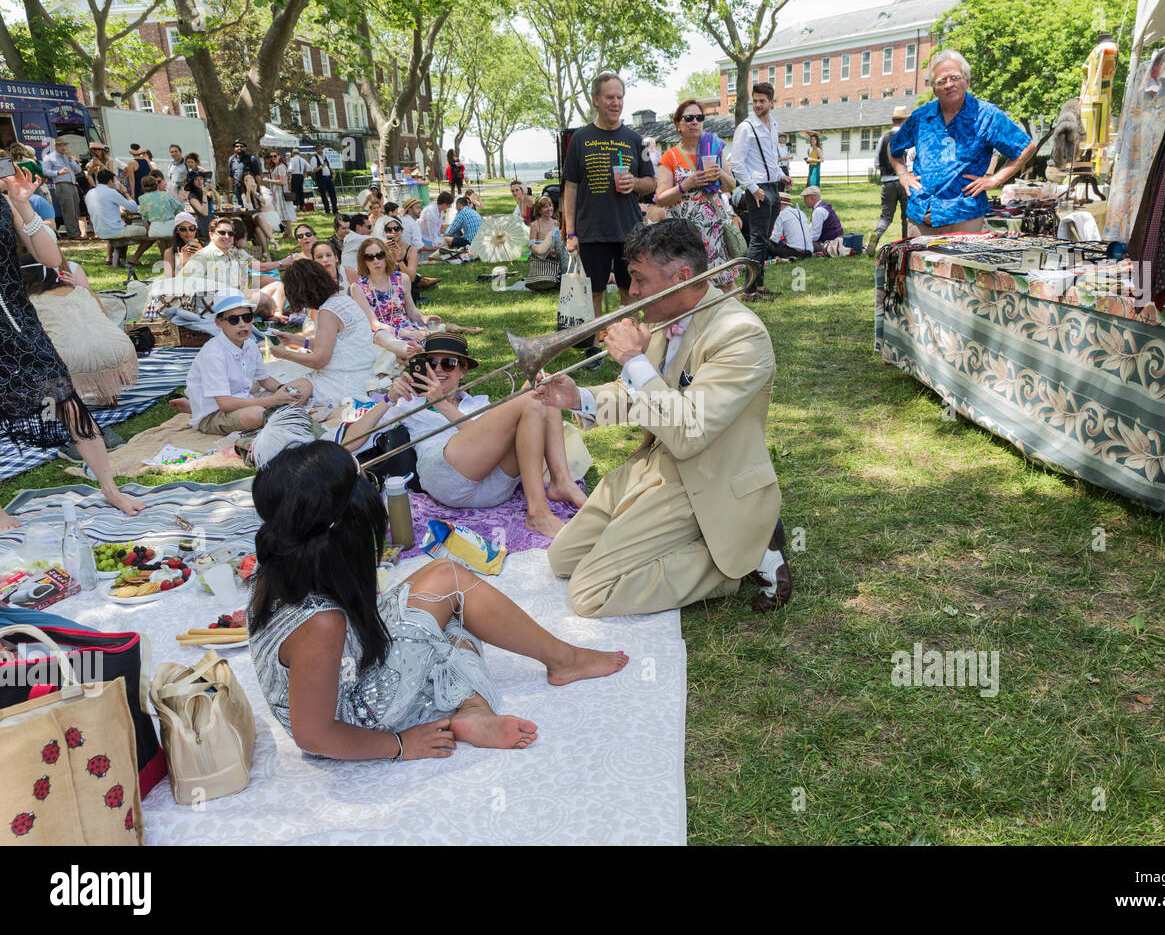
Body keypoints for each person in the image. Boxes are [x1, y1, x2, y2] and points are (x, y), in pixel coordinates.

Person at [247, 439, 627, 760]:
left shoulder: (283, 556)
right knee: (454, 613)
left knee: (450, 586)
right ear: (351, 526)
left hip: (345, 666)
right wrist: (399, 745)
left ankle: (478, 707)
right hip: (354, 716)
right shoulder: (321, 624)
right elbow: (314, 735)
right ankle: (544, 670)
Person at [536, 220, 790, 617]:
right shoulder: (662, 319)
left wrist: (633, 360)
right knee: (561, 559)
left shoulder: (740, 334)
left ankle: (736, 562)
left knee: (589, 593)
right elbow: (637, 394)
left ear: (682, 277)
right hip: (655, 464)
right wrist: (579, 396)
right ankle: (717, 539)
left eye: (638, 280)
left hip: (705, 476)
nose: (631, 292)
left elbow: (689, 432)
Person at [0, 166, 145, 529]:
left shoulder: (6, 202)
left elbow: (51, 259)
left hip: (17, 321)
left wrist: (23, 205)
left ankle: (110, 489)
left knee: (66, 398)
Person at [387, 334, 585, 537]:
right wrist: (388, 398)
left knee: (544, 393)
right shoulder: (409, 401)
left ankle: (561, 480)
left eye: (448, 363)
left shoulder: (478, 403)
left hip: (494, 487)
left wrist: (531, 393)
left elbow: (486, 440)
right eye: (432, 362)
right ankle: (538, 513)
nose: (438, 369)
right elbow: (357, 441)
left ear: (462, 371)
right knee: (532, 400)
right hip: (445, 477)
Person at [562, 71, 656, 367]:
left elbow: (651, 182)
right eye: (609, 97)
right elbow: (571, 188)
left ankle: (626, 343)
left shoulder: (635, 139)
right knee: (595, 290)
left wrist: (635, 184)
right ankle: (594, 347)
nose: (616, 103)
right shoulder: (579, 139)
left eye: (619, 97)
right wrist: (570, 232)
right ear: (596, 100)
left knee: (631, 288)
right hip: (592, 230)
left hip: (629, 229)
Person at [889, 49, 1034, 235]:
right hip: (921, 215)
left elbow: (1025, 147)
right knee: (916, 263)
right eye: (942, 81)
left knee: (960, 264)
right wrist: (902, 174)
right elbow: (894, 147)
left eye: (954, 78)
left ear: (967, 81)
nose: (949, 84)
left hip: (965, 215)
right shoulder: (921, 117)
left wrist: (996, 179)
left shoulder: (987, 115)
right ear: (934, 89)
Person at [184, 291, 312, 436]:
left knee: (304, 385)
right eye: (233, 320)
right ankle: (282, 414)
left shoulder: (250, 344)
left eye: (247, 318)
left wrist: (283, 389)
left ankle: (279, 414)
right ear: (219, 323)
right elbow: (225, 404)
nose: (242, 325)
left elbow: (265, 380)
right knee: (255, 415)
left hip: (247, 400)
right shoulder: (214, 354)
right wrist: (273, 400)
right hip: (215, 414)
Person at [653, 98, 741, 287]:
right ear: (678, 124)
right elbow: (660, 199)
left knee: (724, 284)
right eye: (689, 118)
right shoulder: (671, 156)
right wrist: (686, 184)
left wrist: (721, 174)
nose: (695, 122)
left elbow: (731, 186)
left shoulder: (714, 148)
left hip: (714, 228)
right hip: (685, 234)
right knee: (690, 286)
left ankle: (731, 316)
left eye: (699, 117)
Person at [27, 260, 137, 405]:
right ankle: (109, 396)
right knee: (87, 340)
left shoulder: (31, 301)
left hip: (71, 358)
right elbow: (104, 316)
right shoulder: (80, 290)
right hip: (118, 347)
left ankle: (61, 405)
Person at [272, 261, 375, 404]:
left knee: (286, 390)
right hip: (364, 378)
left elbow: (319, 360)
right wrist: (294, 340)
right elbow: (330, 344)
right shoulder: (345, 300)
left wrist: (284, 354)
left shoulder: (328, 311)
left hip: (342, 386)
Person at [730, 81, 793, 299]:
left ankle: (760, 286)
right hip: (757, 190)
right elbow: (736, 163)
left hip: (773, 188)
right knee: (757, 239)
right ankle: (748, 290)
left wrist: (781, 175)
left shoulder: (773, 125)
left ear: (771, 102)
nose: (757, 105)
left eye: (761, 101)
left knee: (765, 239)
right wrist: (754, 189)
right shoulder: (746, 128)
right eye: (754, 101)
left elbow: (770, 160)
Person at [180, 215, 287, 319]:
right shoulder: (203, 256)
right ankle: (272, 313)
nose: (227, 236)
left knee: (278, 285)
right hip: (219, 306)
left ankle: (277, 315)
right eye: (222, 233)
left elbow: (258, 267)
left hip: (238, 297)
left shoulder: (233, 253)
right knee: (263, 299)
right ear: (211, 235)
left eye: (230, 233)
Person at [350, 236, 432, 341]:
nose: (376, 261)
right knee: (406, 347)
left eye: (380, 255)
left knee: (433, 340)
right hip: (382, 333)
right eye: (369, 257)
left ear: (386, 256)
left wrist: (423, 317)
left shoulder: (402, 279)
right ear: (364, 261)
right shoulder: (358, 288)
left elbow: (411, 310)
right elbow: (374, 324)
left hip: (406, 326)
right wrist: (405, 333)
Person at [84, 170, 152, 271]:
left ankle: (120, 259)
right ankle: (135, 258)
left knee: (123, 227)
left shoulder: (90, 193)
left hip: (99, 231)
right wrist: (125, 192)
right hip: (114, 231)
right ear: (110, 181)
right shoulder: (111, 192)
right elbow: (133, 207)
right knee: (151, 231)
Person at [870, 106, 910, 256]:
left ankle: (877, 234)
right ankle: (906, 246)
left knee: (886, 216)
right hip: (905, 182)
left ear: (892, 120)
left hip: (887, 182)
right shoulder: (908, 137)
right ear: (905, 120)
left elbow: (876, 163)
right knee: (906, 217)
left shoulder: (883, 137)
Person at [42, 138, 84, 240]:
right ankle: (73, 234)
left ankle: (76, 232)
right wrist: (57, 173)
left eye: (64, 145)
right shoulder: (49, 158)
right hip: (62, 184)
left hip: (73, 184)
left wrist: (70, 160)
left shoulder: (67, 157)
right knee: (68, 210)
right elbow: (45, 171)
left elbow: (78, 170)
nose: (63, 147)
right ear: (55, 146)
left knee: (75, 210)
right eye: (60, 145)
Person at [138, 174, 187, 239]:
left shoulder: (142, 198)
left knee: (159, 238)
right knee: (171, 240)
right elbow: (179, 207)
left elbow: (144, 216)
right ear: (156, 184)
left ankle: (163, 249)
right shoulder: (165, 194)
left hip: (155, 229)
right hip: (171, 228)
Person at [768, 195, 813, 259]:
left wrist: (768, 238)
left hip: (795, 252)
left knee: (764, 242)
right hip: (809, 251)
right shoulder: (801, 212)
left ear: (780, 204)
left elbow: (775, 239)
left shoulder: (781, 214)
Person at [801, 186, 844, 254]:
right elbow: (812, 227)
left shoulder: (818, 211)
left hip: (830, 243)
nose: (804, 201)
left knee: (800, 245)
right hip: (836, 240)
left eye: (805, 198)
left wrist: (802, 239)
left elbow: (815, 236)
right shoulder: (823, 207)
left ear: (811, 198)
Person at [160, 212, 202, 277]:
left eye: (192, 228)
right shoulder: (169, 252)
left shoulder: (203, 249)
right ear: (177, 231)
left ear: (196, 229)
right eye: (183, 229)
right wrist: (182, 264)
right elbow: (169, 278)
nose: (188, 233)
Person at [340, 213, 373, 284]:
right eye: (369, 227)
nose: (371, 230)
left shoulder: (352, 237)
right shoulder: (355, 238)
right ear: (358, 227)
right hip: (351, 281)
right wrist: (392, 237)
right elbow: (380, 241)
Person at [180, 172, 213, 240]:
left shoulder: (202, 192)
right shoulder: (192, 196)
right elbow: (204, 212)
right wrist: (204, 194)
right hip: (205, 225)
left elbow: (218, 202)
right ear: (192, 182)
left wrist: (213, 189)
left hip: (212, 222)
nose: (199, 181)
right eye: (196, 179)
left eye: (201, 179)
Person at [227, 140, 260, 206]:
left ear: (245, 148)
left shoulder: (251, 159)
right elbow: (230, 176)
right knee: (240, 207)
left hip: (249, 188)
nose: (239, 147)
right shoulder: (231, 159)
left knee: (252, 206)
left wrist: (258, 189)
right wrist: (230, 191)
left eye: (241, 146)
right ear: (234, 148)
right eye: (237, 146)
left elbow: (257, 175)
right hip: (237, 189)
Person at [528, 194, 562, 258]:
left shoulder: (557, 223)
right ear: (539, 210)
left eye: (550, 206)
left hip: (556, 261)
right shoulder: (535, 225)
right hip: (541, 262)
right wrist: (546, 252)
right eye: (546, 207)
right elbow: (532, 245)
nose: (549, 209)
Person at [308, 145, 338, 214]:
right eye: (318, 149)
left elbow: (330, 166)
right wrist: (321, 166)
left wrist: (333, 173)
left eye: (321, 149)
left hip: (328, 178)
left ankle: (335, 210)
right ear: (316, 150)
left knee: (333, 194)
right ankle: (327, 210)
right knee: (324, 195)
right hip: (321, 178)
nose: (320, 150)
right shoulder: (314, 158)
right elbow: (313, 170)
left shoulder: (325, 157)